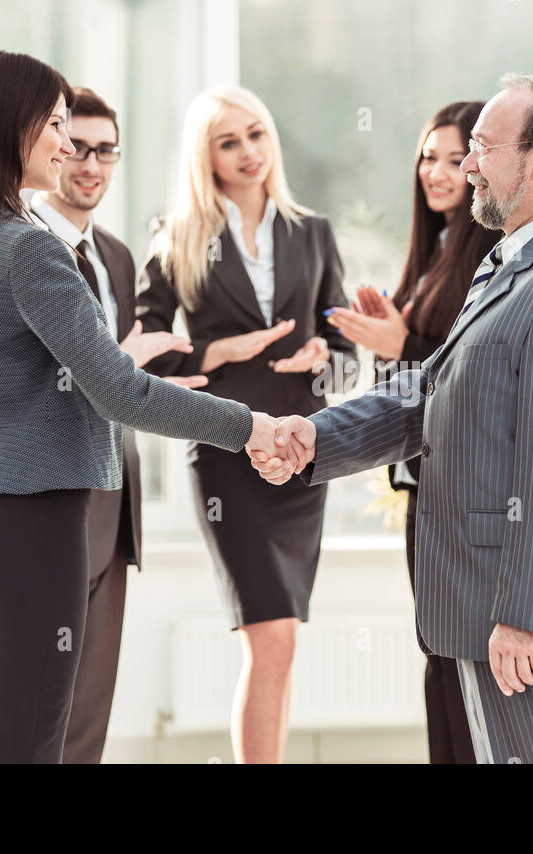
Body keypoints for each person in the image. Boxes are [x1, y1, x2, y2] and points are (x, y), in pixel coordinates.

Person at [0, 50, 288, 764]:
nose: (66, 142)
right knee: (31, 742)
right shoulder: (32, 252)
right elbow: (121, 390)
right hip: (35, 528)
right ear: (10, 128)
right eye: (54, 125)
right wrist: (251, 426)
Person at [251, 74, 533, 764]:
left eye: (483, 149)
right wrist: (317, 436)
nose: (466, 168)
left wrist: (524, 616)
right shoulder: (509, 263)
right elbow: (430, 391)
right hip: (486, 612)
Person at [136, 86, 356, 764]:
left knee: (282, 642)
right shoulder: (176, 236)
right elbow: (142, 348)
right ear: (205, 156)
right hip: (227, 455)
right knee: (271, 637)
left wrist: (324, 356)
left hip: (300, 454)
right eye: (227, 142)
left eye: (255, 134)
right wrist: (216, 352)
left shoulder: (312, 233)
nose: (248, 151)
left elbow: (346, 347)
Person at [26, 86, 206, 764]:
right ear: (50, 148)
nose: (91, 165)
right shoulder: (19, 248)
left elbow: (120, 378)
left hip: (112, 506)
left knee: (88, 713)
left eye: (106, 151)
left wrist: (152, 387)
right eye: (76, 147)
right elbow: (28, 382)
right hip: (45, 502)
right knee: (35, 708)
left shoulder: (118, 257)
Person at [324, 100, 499, 764]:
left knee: (462, 665)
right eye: (429, 157)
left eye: (456, 159)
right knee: (439, 656)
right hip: (425, 491)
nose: (439, 172)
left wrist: (403, 344)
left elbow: (472, 379)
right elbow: (414, 384)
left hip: (462, 493)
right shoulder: (436, 252)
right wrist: (392, 338)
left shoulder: (490, 257)